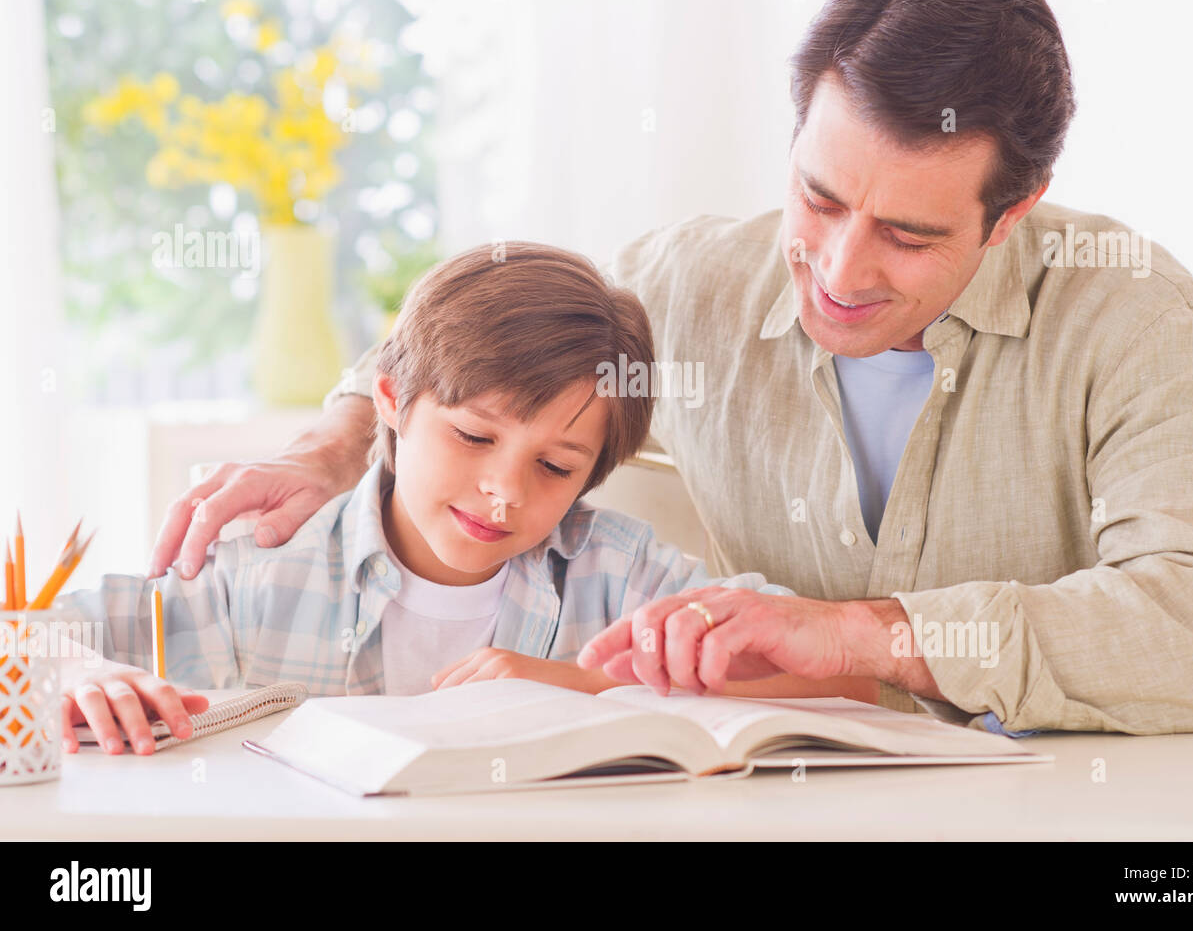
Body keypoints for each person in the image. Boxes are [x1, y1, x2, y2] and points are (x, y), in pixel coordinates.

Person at [148, 0, 1193, 737]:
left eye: (906, 232)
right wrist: (333, 447)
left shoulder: (1135, 318)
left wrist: (865, 633)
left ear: (1016, 206)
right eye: (819, 196)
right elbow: (458, 335)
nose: (840, 272)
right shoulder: (688, 284)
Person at [60, 243, 873, 756]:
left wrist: (579, 685)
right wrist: (84, 672)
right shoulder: (268, 568)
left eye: (555, 467)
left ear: (592, 475)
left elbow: (846, 682)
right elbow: (26, 634)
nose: (503, 491)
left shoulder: (619, 574)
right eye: (474, 438)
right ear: (389, 401)